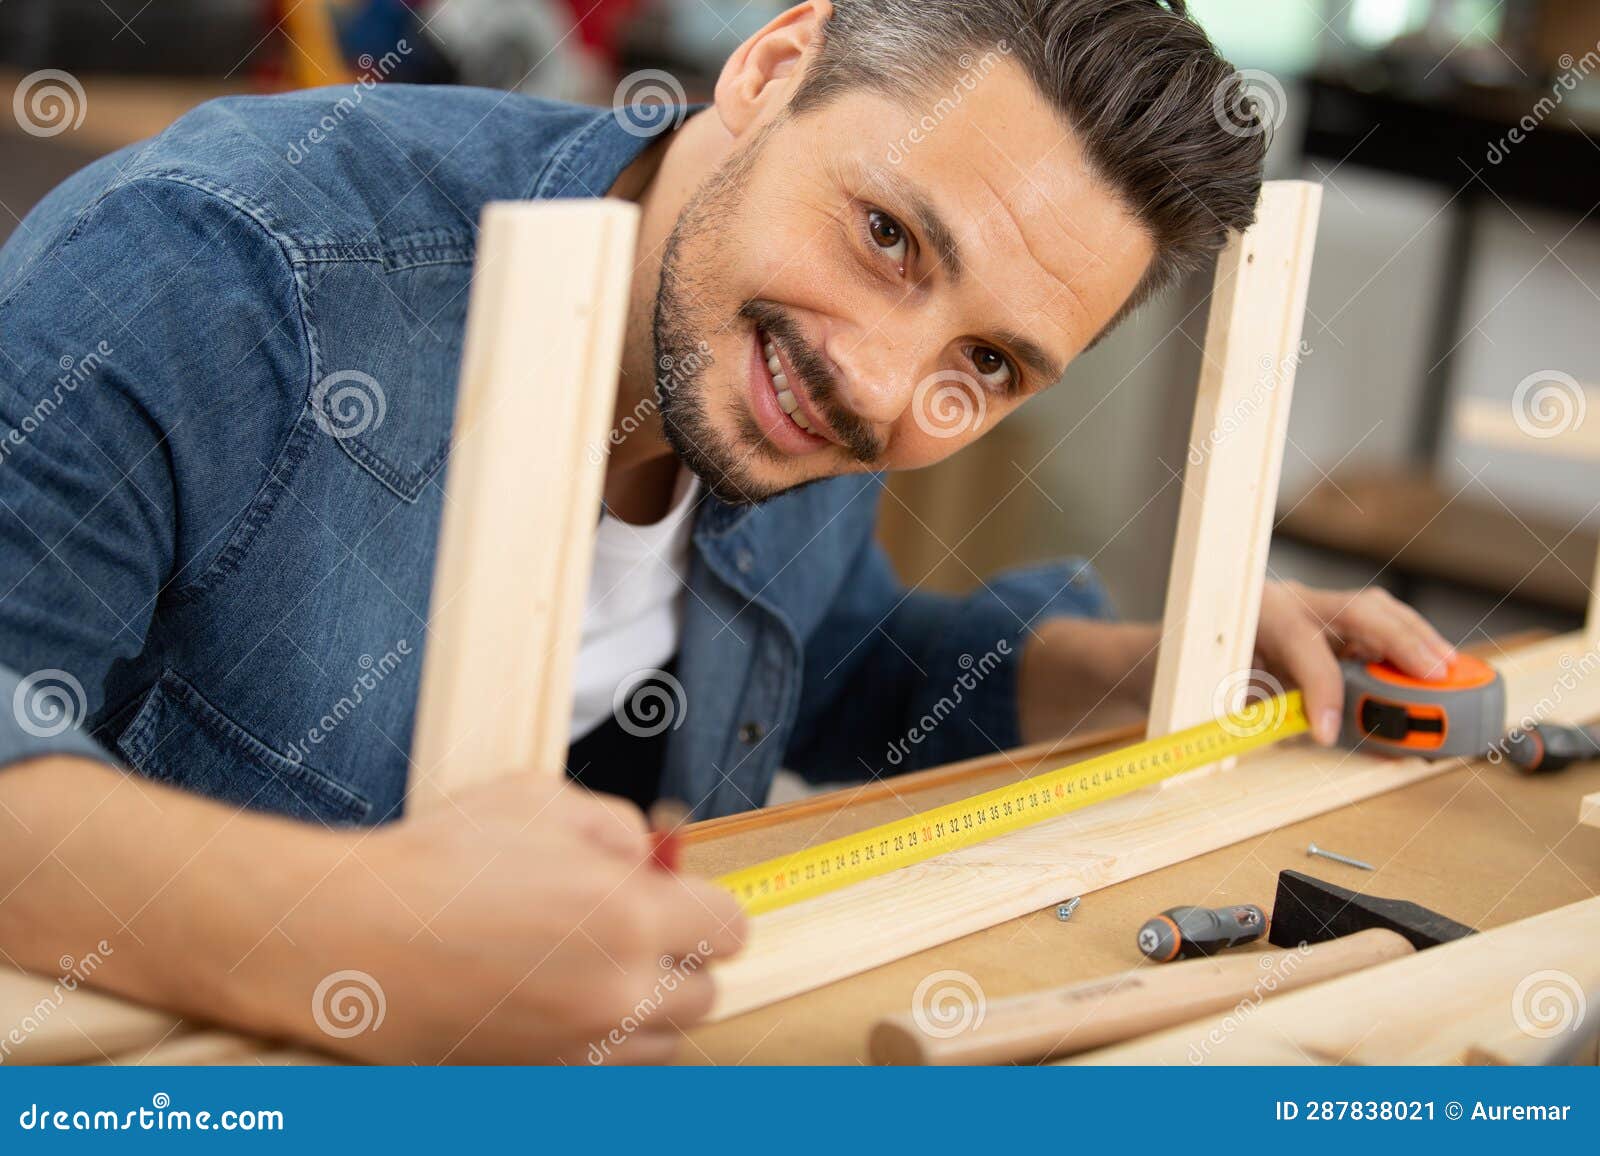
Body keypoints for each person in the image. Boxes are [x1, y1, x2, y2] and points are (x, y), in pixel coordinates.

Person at [0, 0, 1456, 1063]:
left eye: (993, 366)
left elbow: (821, 654)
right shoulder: (216, 265)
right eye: (891, 235)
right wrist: (359, 934)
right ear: (771, 71)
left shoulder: (793, 365)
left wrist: (1139, 669)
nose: (888, 388)